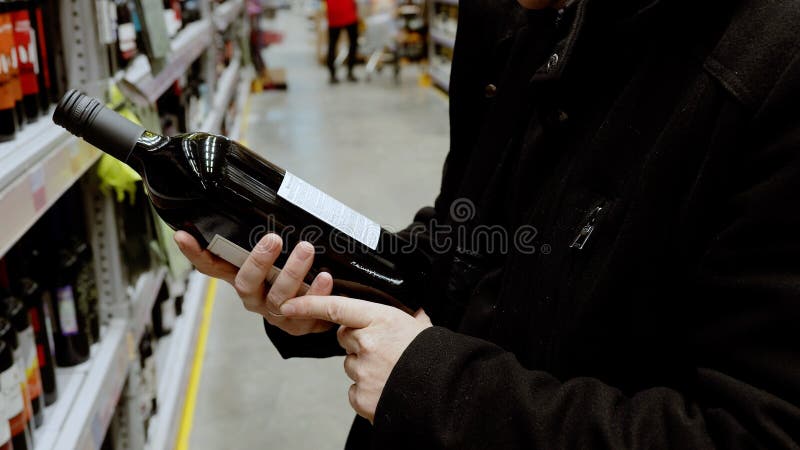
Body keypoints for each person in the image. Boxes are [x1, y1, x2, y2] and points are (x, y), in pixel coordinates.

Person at [175, 0, 800, 447]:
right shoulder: (529, 20)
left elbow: (754, 427)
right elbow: (464, 239)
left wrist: (436, 390)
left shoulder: (770, 68)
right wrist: (325, 282)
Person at [325, 0, 359, 83]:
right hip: (347, 12)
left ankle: (332, 74)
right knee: (353, 43)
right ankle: (350, 72)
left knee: (332, 44)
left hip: (334, 13)